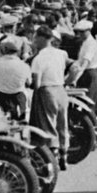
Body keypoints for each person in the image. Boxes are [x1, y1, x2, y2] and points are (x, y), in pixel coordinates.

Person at [29, 26, 69, 170]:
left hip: (47, 91)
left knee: (48, 126)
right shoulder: (61, 54)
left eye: (35, 38)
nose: (34, 41)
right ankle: (65, 153)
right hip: (61, 89)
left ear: (40, 38)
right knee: (62, 124)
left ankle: (53, 158)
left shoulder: (39, 58)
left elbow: (37, 82)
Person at [0, 39, 31, 120]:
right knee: (20, 122)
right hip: (18, 98)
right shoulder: (24, 65)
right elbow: (29, 83)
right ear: (17, 52)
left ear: (4, 50)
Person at [67, 19, 97, 104]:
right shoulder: (85, 43)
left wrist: (75, 79)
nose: (80, 34)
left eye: (82, 32)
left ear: (89, 31)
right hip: (84, 74)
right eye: (78, 32)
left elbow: (85, 64)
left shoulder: (91, 44)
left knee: (89, 102)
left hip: (89, 74)